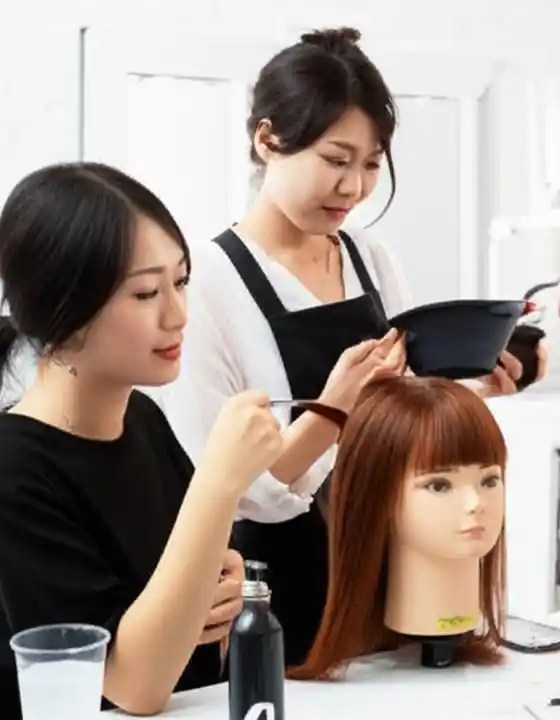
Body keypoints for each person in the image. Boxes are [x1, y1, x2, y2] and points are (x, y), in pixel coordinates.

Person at [162, 27, 520, 667]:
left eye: (371, 164)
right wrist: (331, 410)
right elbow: (231, 491)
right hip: (282, 582)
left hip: (389, 561)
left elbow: (403, 419)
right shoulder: (209, 283)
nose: (354, 188)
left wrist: (476, 376)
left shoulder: (369, 257)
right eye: (335, 160)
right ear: (267, 139)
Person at [0, 163, 283, 718]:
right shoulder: (13, 471)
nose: (178, 315)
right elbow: (129, 686)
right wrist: (221, 482)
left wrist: (215, 581)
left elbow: (168, 594)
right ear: (66, 310)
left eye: (180, 282)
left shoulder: (144, 420)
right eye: (147, 292)